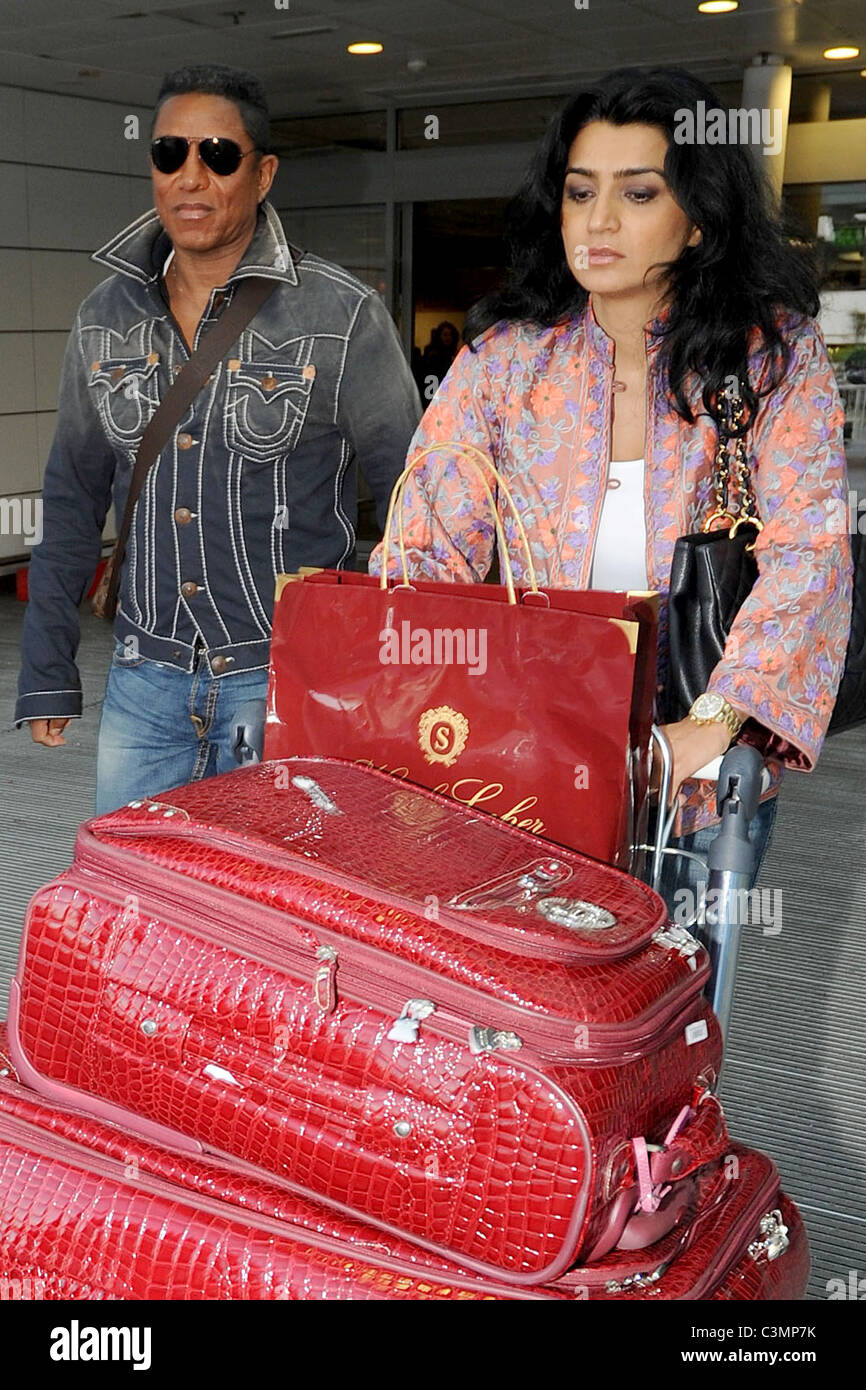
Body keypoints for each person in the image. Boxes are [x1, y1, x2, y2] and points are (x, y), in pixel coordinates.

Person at [371, 66, 852, 909]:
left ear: (697, 218)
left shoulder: (771, 360)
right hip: (521, 763)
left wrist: (710, 729)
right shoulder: (505, 362)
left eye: (636, 194)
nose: (596, 222)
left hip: (696, 777)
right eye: (579, 191)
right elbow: (423, 548)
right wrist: (434, 700)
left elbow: (809, 554)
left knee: (668, 1007)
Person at [16, 64, 420, 813]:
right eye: (170, 154)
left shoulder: (341, 315)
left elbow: (419, 504)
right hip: (143, 681)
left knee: (272, 916)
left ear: (263, 174)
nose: (190, 176)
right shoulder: (105, 315)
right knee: (141, 912)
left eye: (218, 155)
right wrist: (47, 664)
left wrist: (386, 670)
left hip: (284, 686)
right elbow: (73, 493)